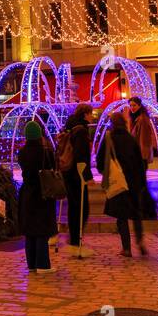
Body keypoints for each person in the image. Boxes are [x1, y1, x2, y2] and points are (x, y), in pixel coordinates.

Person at [95, 112, 147, 257]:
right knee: (136, 214)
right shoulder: (131, 139)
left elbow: (100, 161)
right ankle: (140, 241)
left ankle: (127, 248)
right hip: (133, 182)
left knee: (122, 216)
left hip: (118, 182)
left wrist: (106, 174)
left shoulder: (109, 139)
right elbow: (140, 162)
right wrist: (142, 182)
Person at [16, 119, 58, 274]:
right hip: (43, 193)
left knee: (30, 231)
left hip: (27, 192)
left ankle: (32, 264)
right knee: (42, 229)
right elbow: (53, 168)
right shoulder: (45, 152)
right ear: (39, 135)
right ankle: (43, 264)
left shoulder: (22, 152)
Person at [58, 104, 95, 257]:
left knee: (74, 207)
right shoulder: (80, 131)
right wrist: (87, 176)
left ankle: (74, 239)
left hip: (68, 172)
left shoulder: (69, 127)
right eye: (91, 114)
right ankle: (75, 241)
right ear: (85, 114)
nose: (92, 117)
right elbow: (81, 156)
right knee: (81, 207)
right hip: (76, 174)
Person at [126, 97, 158, 219]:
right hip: (137, 157)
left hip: (140, 158)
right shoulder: (134, 118)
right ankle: (146, 209)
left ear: (140, 105)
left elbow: (144, 141)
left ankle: (148, 209)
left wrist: (142, 158)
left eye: (134, 105)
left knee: (140, 184)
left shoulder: (143, 119)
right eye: (131, 105)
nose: (132, 107)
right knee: (139, 183)